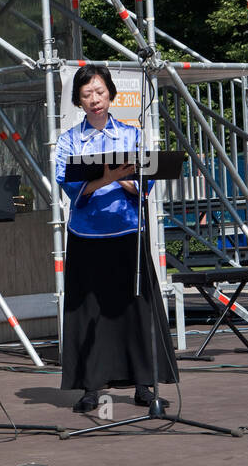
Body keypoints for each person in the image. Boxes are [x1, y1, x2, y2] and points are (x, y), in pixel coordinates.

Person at [55, 65, 178, 412]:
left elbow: (145, 184)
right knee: (89, 312)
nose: (94, 99)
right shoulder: (69, 140)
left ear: (111, 94)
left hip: (127, 233)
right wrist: (104, 178)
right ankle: (90, 387)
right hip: (86, 236)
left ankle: (144, 384)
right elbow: (69, 185)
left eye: (99, 92)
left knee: (136, 310)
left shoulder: (131, 135)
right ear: (78, 101)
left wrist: (121, 177)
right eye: (86, 94)